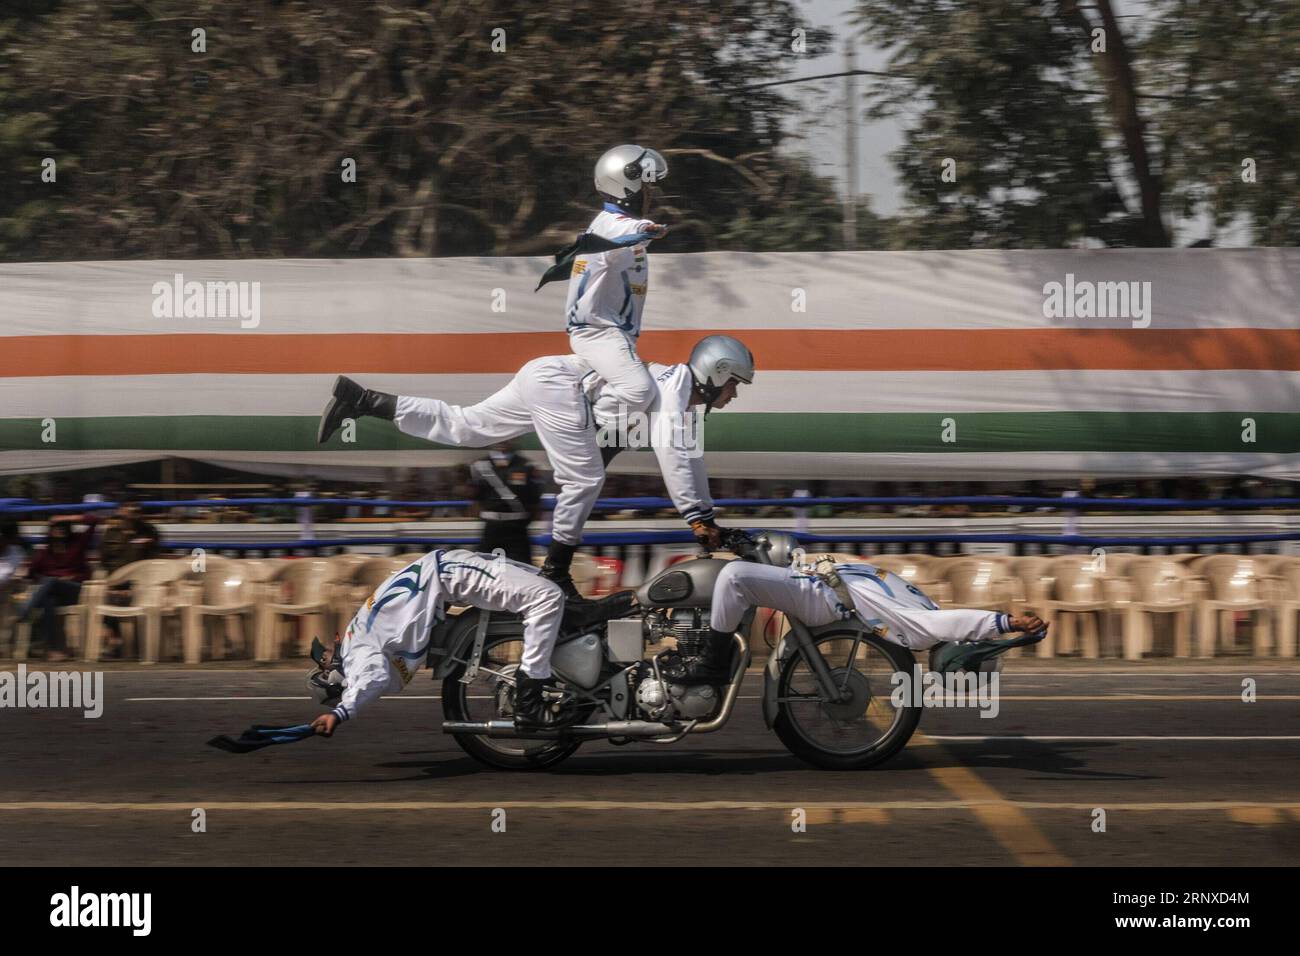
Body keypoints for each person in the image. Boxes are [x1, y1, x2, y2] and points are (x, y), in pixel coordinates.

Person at [316, 334, 755, 600]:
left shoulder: (666, 389)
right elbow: (676, 453)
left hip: (547, 376)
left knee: (466, 426)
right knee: (584, 479)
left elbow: (649, 447)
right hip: (558, 386)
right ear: (716, 372)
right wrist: (699, 517)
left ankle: (363, 400)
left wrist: (702, 514)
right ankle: (557, 571)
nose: (733, 396)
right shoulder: (674, 392)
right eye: (733, 384)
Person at [308, 548, 567, 735]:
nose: (327, 650)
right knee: (548, 595)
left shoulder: (356, 641)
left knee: (553, 590)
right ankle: (531, 694)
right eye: (323, 660)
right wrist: (340, 713)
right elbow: (371, 679)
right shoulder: (357, 655)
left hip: (449, 573)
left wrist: (341, 710)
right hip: (450, 574)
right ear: (335, 679)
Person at [699, 553, 1047, 684]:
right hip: (817, 578)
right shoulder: (928, 611)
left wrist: (1007, 624)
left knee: (734, 577)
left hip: (819, 594)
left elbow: (956, 624)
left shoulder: (923, 632)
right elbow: (956, 621)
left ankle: (713, 664)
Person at [20, 512, 100, 661]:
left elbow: (94, 520)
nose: (60, 530)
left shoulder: (77, 544)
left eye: (63, 527)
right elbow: (30, 575)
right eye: (56, 527)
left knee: (52, 582)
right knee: (49, 601)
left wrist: (65, 517)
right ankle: (52, 650)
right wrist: (43, 579)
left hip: (75, 591)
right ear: (50, 531)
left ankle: (26, 612)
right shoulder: (44, 553)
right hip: (52, 593)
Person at [97, 502, 162, 658]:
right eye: (126, 511)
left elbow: (153, 563)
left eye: (134, 511)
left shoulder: (149, 532)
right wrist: (114, 585)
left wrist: (135, 586)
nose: (130, 515)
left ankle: (131, 644)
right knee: (105, 596)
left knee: (130, 597)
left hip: (142, 583)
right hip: (115, 582)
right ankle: (116, 639)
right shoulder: (111, 533)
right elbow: (105, 561)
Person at [468, 440, 542, 565]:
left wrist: (522, 521)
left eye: (507, 437)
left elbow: (535, 501)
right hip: (491, 528)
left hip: (517, 529)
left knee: (521, 569)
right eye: (497, 437)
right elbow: (475, 498)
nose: (501, 441)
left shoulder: (527, 466)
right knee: (486, 570)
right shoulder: (479, 466)